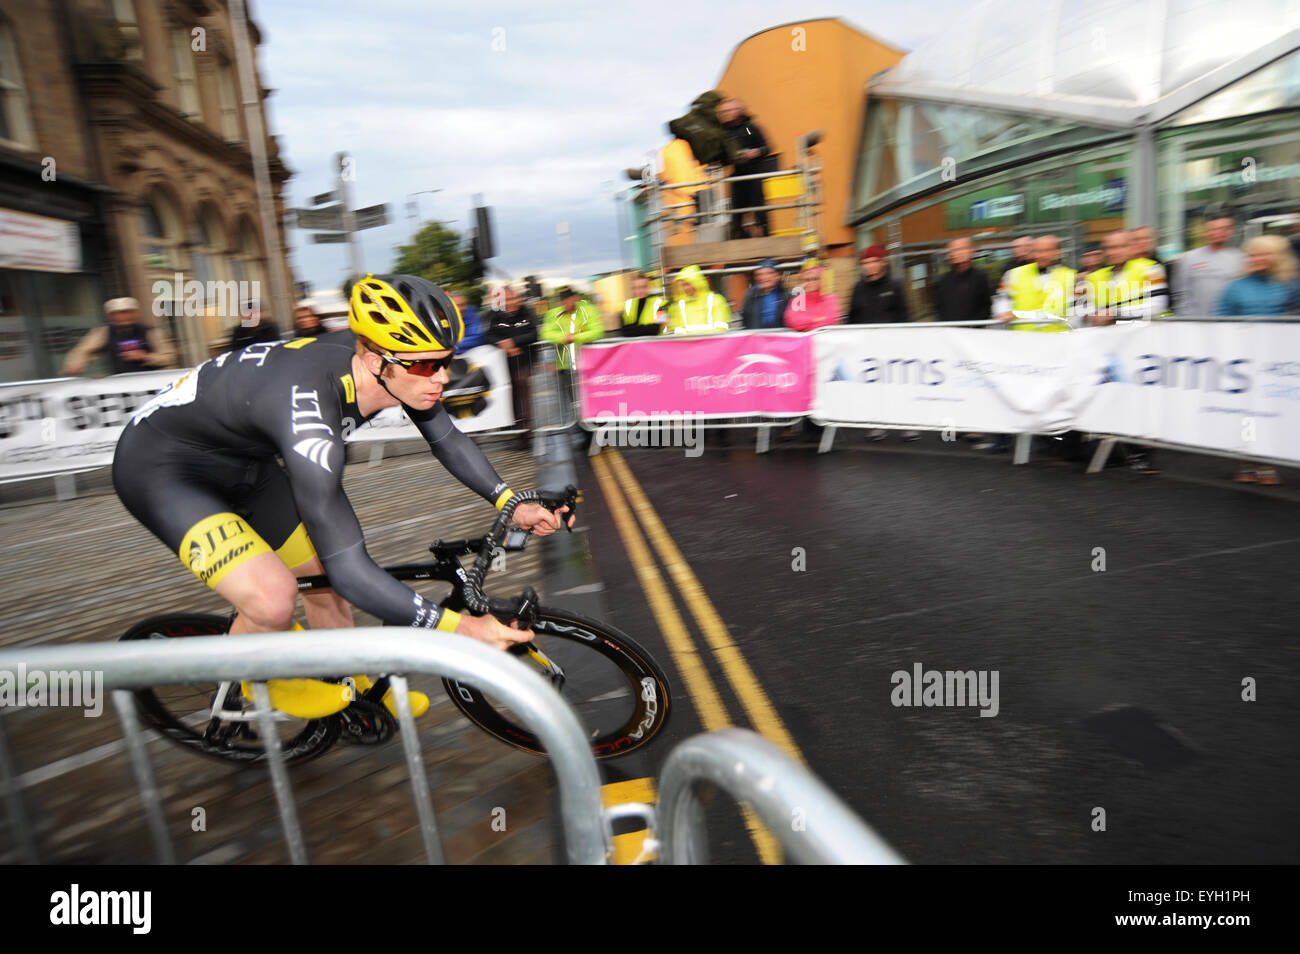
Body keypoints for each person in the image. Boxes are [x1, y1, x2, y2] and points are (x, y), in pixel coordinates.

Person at [112, 274, 571, 721]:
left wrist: (511, 501)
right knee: (274, 598)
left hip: (244, 461)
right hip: (162, 469)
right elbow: (352, 569)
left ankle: (350, 690)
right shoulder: (313, 419)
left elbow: (447, 439)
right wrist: (466, 630)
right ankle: (253, 669)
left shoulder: (393, 366)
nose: (442, 377)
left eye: (446, 361)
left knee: (322, 586)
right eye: (428, 365)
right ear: (376, 362)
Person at [1215, 234, 1298, 486]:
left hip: (1278, 361)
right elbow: (1217, 320)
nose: (1257, 259)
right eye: (1252, 255)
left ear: (1278, 257)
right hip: (1243, 362)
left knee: (1273, 411)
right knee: (1247, 413)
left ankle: (1266, 460)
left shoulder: (1291, 285)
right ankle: (1246, 461)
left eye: (1263, 254)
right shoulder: (1234, 287)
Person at [541, 287, 605, 444]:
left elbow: (597, 331)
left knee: (591, 400)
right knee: (574, 403)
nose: (567, 303)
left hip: (588, 365)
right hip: (565, 366)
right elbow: (546, 334)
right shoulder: (553, 314)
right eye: (564, 300)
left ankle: (599, 434)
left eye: (570, 299)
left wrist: (575, 337)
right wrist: (563, 338)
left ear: (575, 298)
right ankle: (586, 436)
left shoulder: (588, 310)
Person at [61, 297, 176, 375]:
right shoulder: (104, 332)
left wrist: (145, 357)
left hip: (152, 383)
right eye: (118, 313)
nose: (123, 316)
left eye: (127, 312)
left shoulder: (150, 331)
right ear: (110, 315)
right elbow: (83, 350)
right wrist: (75, 364)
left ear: (135, 313)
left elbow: (169, 357)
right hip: (122, 385)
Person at [483, 284, 540, 436]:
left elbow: (534, 333)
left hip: (524, 360)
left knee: (521, 386)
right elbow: (487, 335)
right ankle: (511, 424)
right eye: (507, 299)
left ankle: (525, 426)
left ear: (519, 298)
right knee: (508, 393)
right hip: (502, 363)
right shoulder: (493, 315)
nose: (511, 302)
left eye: (514, 298)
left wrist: (514, 342)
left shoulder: (527, 312)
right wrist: (502, 345)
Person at [718, 97, 775, 238]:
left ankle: (767, 240)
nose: (731, 113)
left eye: (734, 109)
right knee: (736, 213)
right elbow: (723, 157)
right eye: (728, 110)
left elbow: (767, 147)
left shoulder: (751, 127)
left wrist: (756, 152)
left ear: (741, 110)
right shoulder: (725, 132)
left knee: (760, 210)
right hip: (738, 176)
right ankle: (739, 241)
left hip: (754, 174)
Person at [1174, 217, 1245, 317]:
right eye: (1213, 229)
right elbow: (1180, 293)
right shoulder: (1189, 258)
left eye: (1224, 229)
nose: (1218, 232)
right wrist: (1184, 318)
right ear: (1205, 232)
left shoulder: (1239, 258)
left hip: (1229, 322)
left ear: (1230, 232)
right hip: (1195, 322)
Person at [932, 237, 992, 323]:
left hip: (974, 332)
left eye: (959, 249)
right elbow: (938, 309)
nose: (954, 254)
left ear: (971, 252)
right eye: (952, 251)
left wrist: (972, 326)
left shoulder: (980, 278)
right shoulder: (942, 281)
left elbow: (986, 307)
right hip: (950, 332)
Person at [847, 245, 909, 324]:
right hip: (865, 335)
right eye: (865, 263)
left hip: (890, 335)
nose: (869, 266)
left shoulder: (894, 286)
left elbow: (904, 317)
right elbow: (852, 319)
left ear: (882, 262)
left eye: (874, 261)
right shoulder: (858, 288)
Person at [663, 265, 732, 334]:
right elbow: (677, 330)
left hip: (712, 343)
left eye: (689, 284)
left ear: (697, 282)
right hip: (688, 344)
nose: (686, 288)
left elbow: (722, 328)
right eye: (684, 285)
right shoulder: (679, 305)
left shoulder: (716, 300)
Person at [783, 259, 841, 330]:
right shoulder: (797, 301)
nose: (811, 282)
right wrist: (816, 319)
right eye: (807, 280)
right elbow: (793, 321)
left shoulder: (830, 298)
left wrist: (806, 326)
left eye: (815, 279)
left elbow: (831, 320)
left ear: (821, 279)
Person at [740, 259, 791, 330]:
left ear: (777, 276)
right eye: (759, 274)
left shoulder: (786, 295)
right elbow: (746, 320)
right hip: (757, 338)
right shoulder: (750, 295)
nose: (763, 277)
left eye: (769, 273)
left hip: (780, 338)